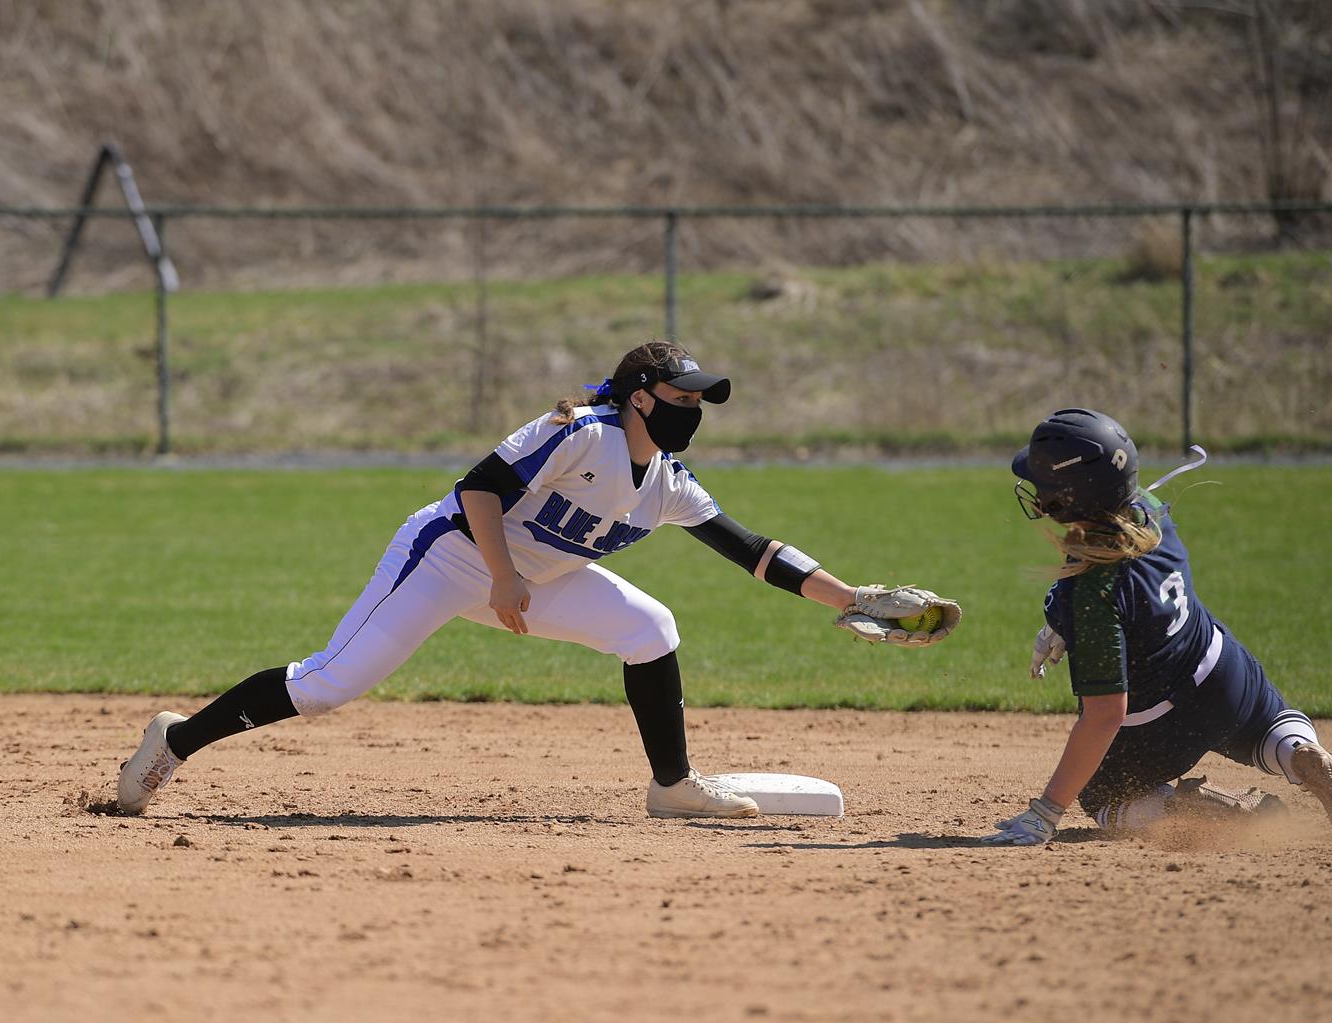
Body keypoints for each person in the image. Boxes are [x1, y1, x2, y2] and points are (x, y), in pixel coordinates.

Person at [114, 340, 960, 821]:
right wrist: (504, 574)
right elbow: (478, 487)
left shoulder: (666, 479)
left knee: (651, 628)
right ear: (637, 396)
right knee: (332, 683)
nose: (693, 410)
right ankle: (175, 740)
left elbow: (756, 553)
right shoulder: (578, 431)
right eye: (681, 395)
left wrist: (850, 599)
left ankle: (673, 790)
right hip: (450, 556)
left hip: (537, 575)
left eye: (701, 400)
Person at [981, 408, 1332, 846]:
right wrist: (1060, 621)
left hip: (1159, 725)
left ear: (1067, 499)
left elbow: (1106, 714)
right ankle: (1299, 753)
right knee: (1272, 729)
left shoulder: (1091, 595)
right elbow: (1117, 577)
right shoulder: (1147, 511)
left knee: (1103, 796)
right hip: (1223, 673)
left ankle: (1195, 809)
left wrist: (1046, 811)